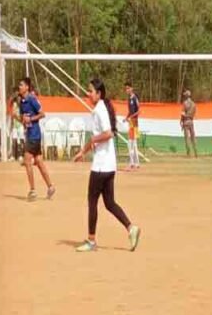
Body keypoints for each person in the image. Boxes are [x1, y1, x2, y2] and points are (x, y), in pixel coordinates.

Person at [73, 78, 142, 253]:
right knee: (109, 203)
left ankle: (91, 241)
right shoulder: (103, 108)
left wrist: (92, 142)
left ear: (99, 93)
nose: (88, 94)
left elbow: (108, 133)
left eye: (91, 91)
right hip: (109, 164)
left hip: (101, 166)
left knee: (92, 201)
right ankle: (131, 228)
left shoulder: (99, 111)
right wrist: (84, 151)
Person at [18, 77, 56, 201]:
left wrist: (31, 119)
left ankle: (33, 191)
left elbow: (42, 114)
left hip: (35, 135)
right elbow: (24, 119)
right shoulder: (22, 102)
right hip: (30, 135)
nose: (20, 87)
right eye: (19, 85)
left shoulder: (32, 99)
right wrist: (20, 120)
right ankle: (50, 187)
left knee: (27, 160)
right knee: (39, 162)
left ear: (27, 87)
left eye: (21, 85)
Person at [124, 82, 142, 170]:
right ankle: (135, 163)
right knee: (133, 143)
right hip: (131, 121)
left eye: (128, 88)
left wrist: (131, 117)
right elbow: (130, 111)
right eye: (126, 89)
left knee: (131, 143)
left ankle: (133, 163)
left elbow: (139, 111)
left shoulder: (135, 98)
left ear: (132, 88)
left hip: (134, 122)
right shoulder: (129, 99)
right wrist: (126, 117)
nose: (127, 90)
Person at [181, 88, 198, 158]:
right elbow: (194, 113)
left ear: (186, 96)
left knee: (187, 138)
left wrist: (181, 121)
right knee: (193, 137)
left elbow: (182, 113)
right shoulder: (194, 104)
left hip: (185, 121)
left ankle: (188, 153)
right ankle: (196, 151)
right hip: (191, 121)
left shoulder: (185, 103)